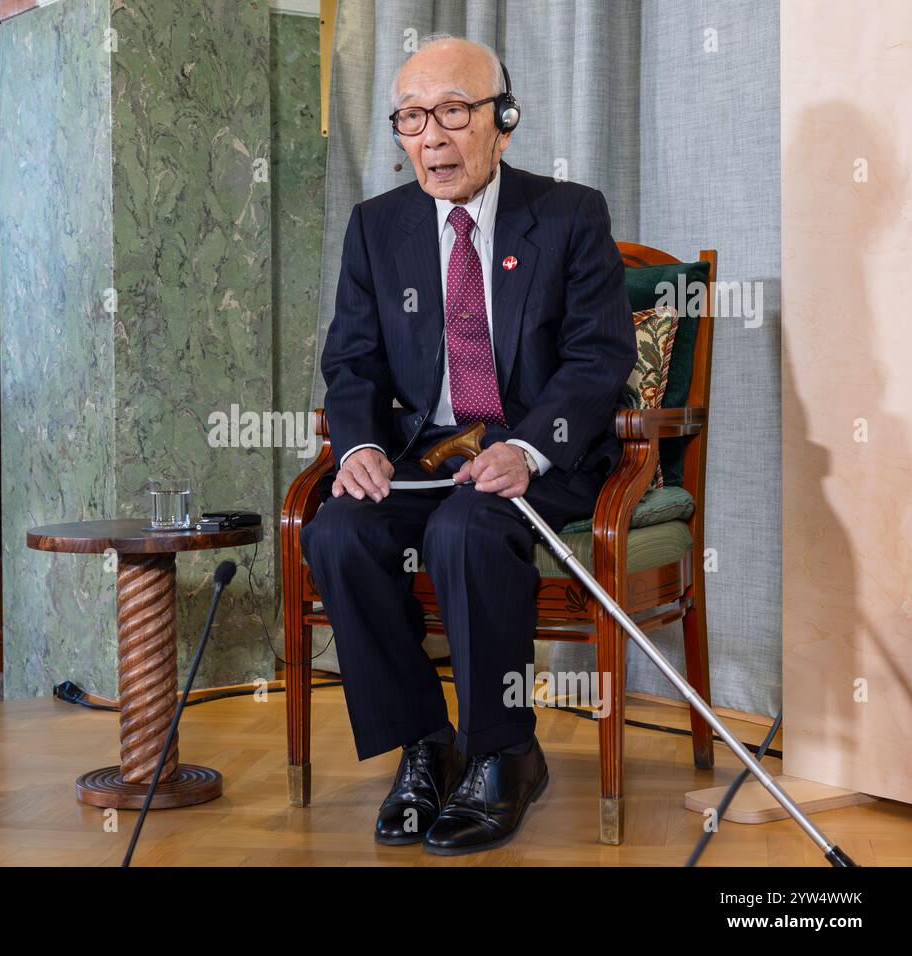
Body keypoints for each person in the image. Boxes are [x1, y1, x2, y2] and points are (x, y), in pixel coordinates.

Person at [300, 35, 636, 855]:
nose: (433, 137)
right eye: (413, 118)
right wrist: (356, 449)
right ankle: (426, 744)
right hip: (428, 456)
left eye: (454, 111)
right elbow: (350, 360)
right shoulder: (378, 228)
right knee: (336, 531)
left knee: (467, 526)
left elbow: (600, 357)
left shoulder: (567, 214)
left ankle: (504, 751)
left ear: (503, 121)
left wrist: (529, 448)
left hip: (540, 456)